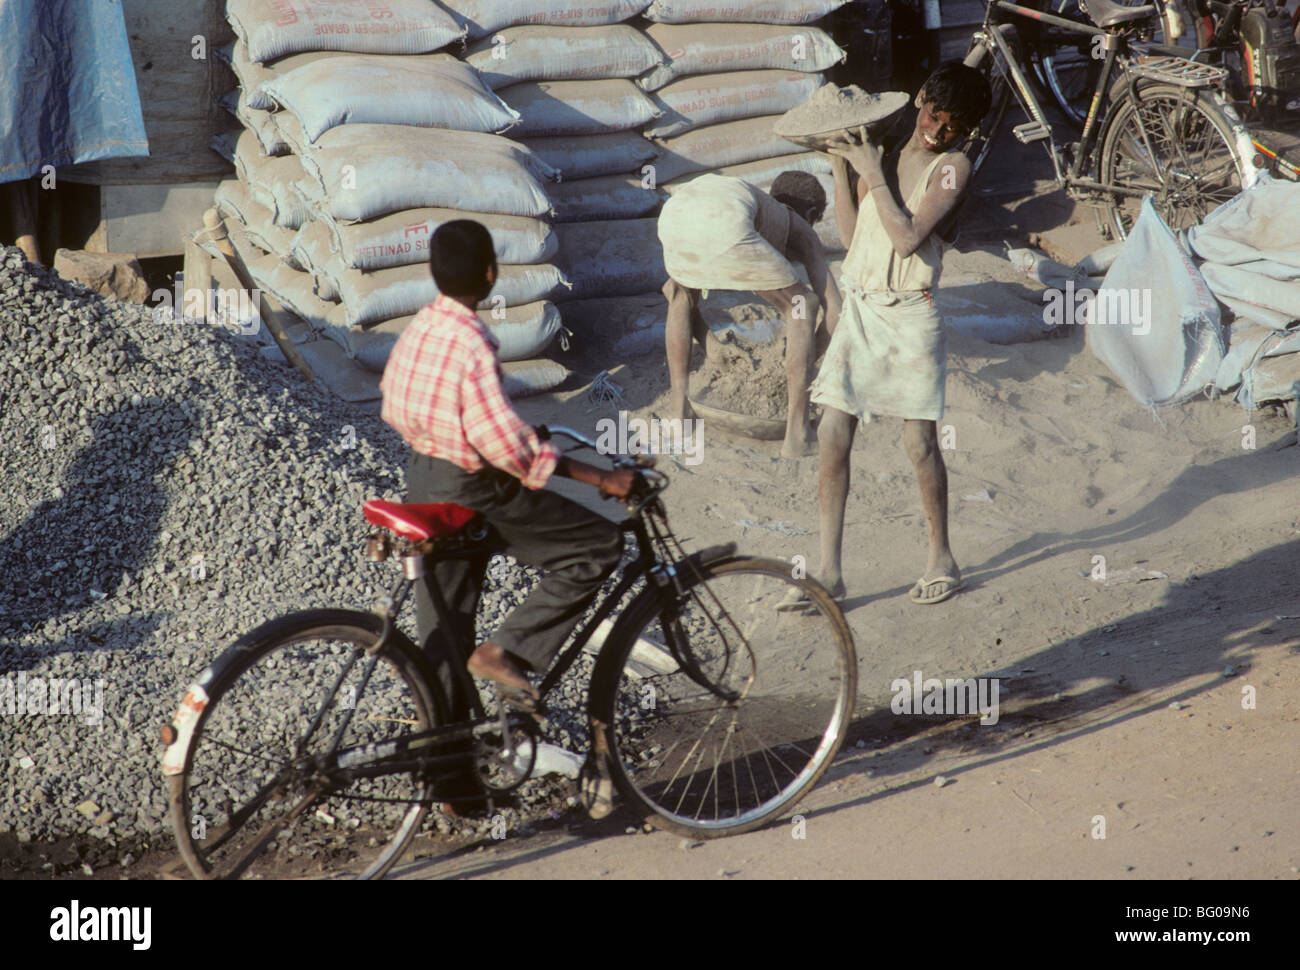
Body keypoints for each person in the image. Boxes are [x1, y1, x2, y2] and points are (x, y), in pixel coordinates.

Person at [380, 220, 633, 720]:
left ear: (433, 273)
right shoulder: (472, 343)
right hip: (472, 490)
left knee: (445, 631)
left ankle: (453, 783)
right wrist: (599, 477)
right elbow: (506, 449)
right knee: (597, 545)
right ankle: (506, 650)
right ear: (492, 274)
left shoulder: (421, 327)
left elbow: (395, 403)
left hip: (424, 480)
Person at [798, 63, 992, 608]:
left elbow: (906, 239)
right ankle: (830, 573)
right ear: (922, 97)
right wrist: (842, 168)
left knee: (919, 443)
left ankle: (942, 559)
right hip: (862, 309)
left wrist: (873, 173)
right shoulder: (884, 155)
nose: (937, 129)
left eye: (952, 125)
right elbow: (853, 231)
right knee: (834, 432)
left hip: (911, 313)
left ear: (967, 131)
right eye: (933, 113)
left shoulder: (953, 168)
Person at [657, 171, 843, 458]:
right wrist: (805, 360)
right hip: (726, 220)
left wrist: (711, 346)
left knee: (681, 295)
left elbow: (670, 290)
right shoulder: (799, 227)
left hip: (674, 214)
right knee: (802, 304)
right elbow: (836, 310)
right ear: (812, 212)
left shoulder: (756, 202)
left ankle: (678, 414)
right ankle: (798, 435)